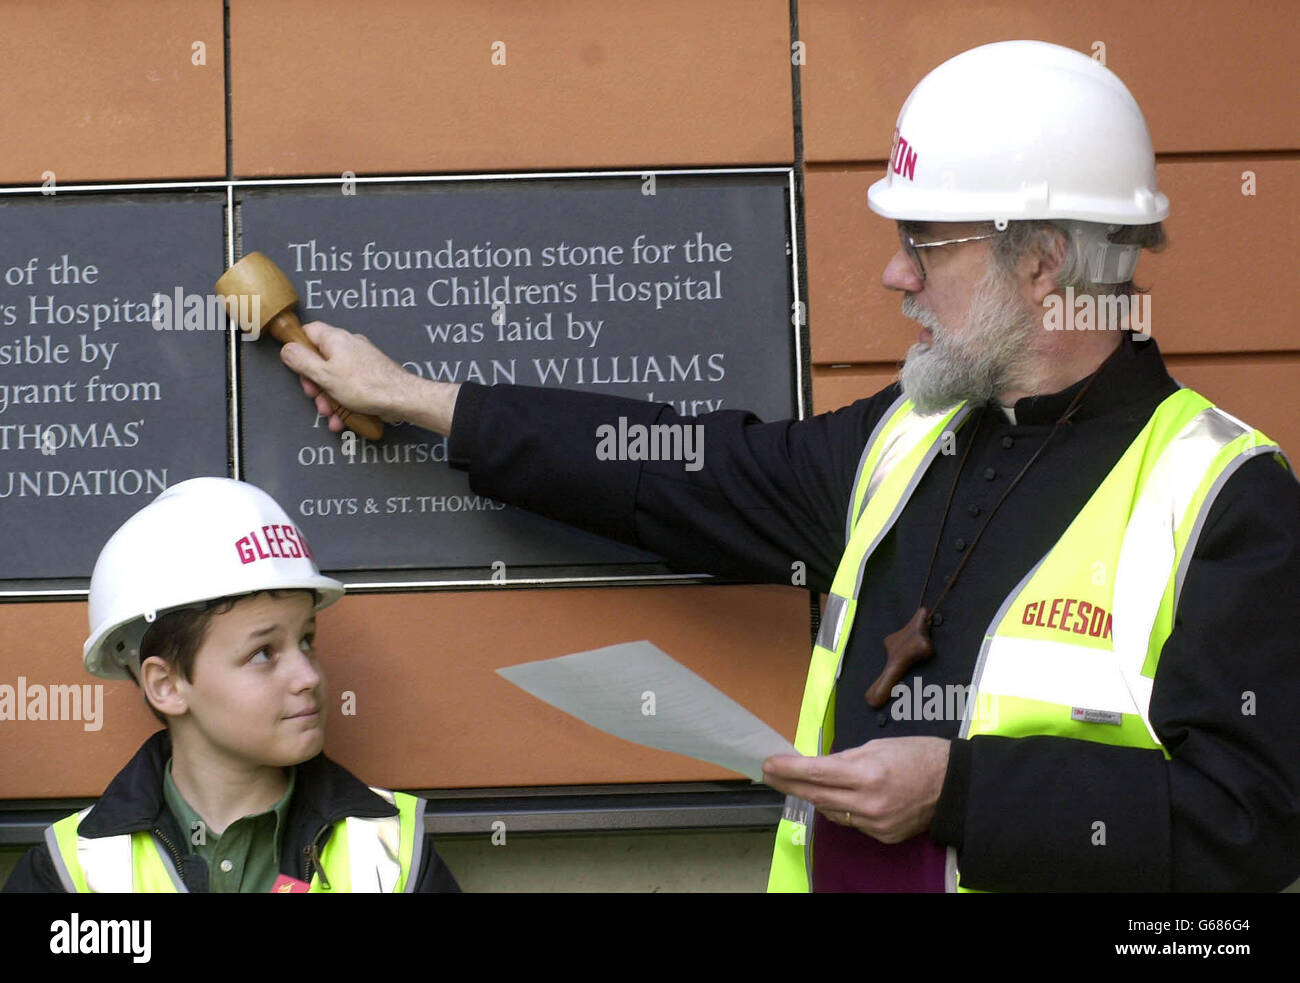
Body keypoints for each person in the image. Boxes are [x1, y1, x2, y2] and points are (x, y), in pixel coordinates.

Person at [276, 41, 1300, 892]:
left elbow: (1247, 823)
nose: (894, 272)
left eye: (923, 241)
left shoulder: (1221, 496)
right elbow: (680, 472)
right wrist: (417, 400)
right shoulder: (904, 437)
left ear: (1039, 264)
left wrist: (960, 792)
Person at [3, 477, 460, 893]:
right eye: (263, 653)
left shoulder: (390, 851)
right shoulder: (70, 873)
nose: (308, 677)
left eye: (306, 640)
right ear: (166, 685)